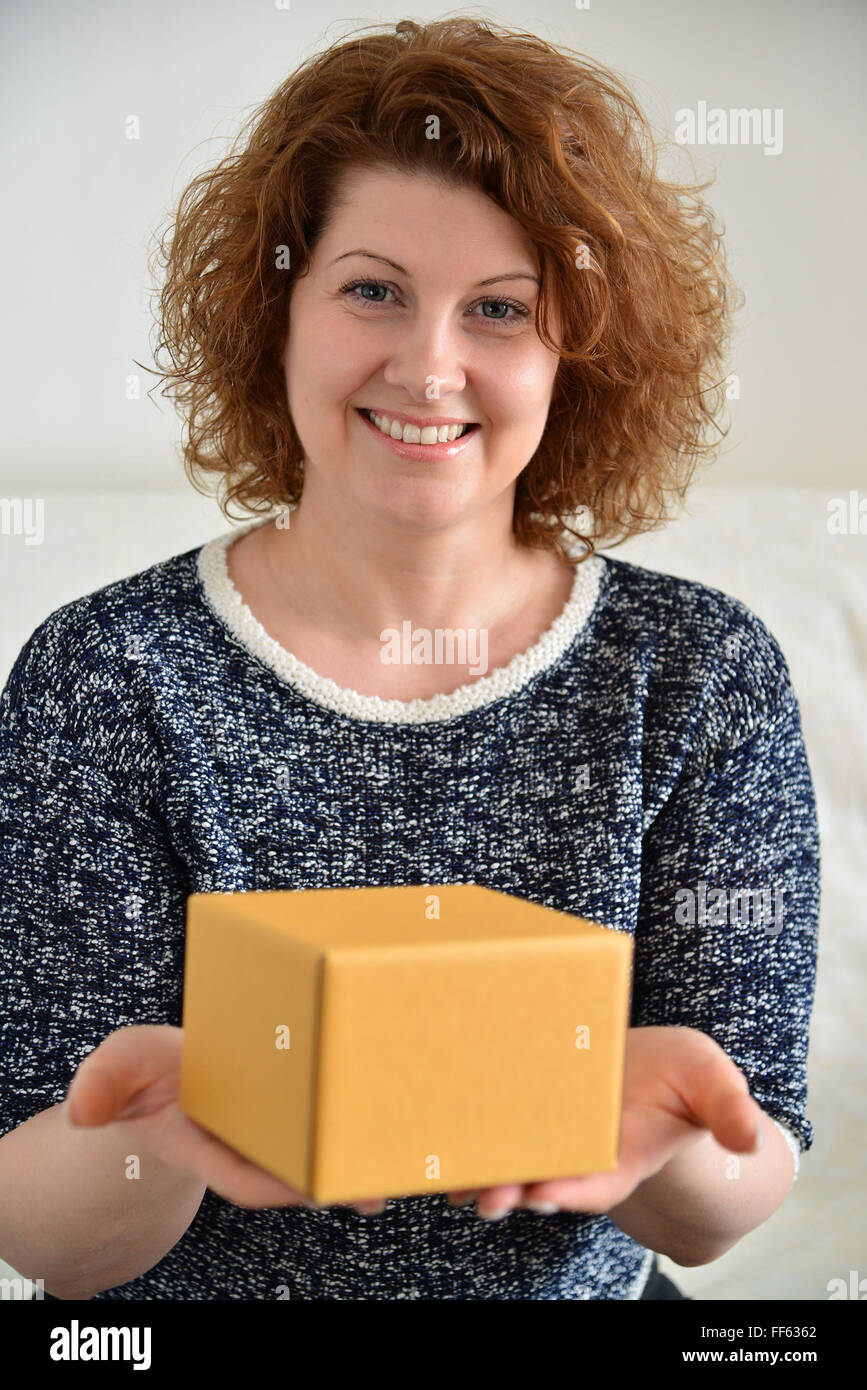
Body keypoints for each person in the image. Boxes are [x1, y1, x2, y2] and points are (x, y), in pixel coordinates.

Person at [0, 17, 818, 1301]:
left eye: (501, 310)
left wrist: (668, 1149)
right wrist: (150, 1141)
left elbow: (732, 1194)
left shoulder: (699, 673)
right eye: (373, 289)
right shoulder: (105, 674)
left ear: (579, 359)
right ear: (277, 315)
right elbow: (46, 1243)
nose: (429, 368)